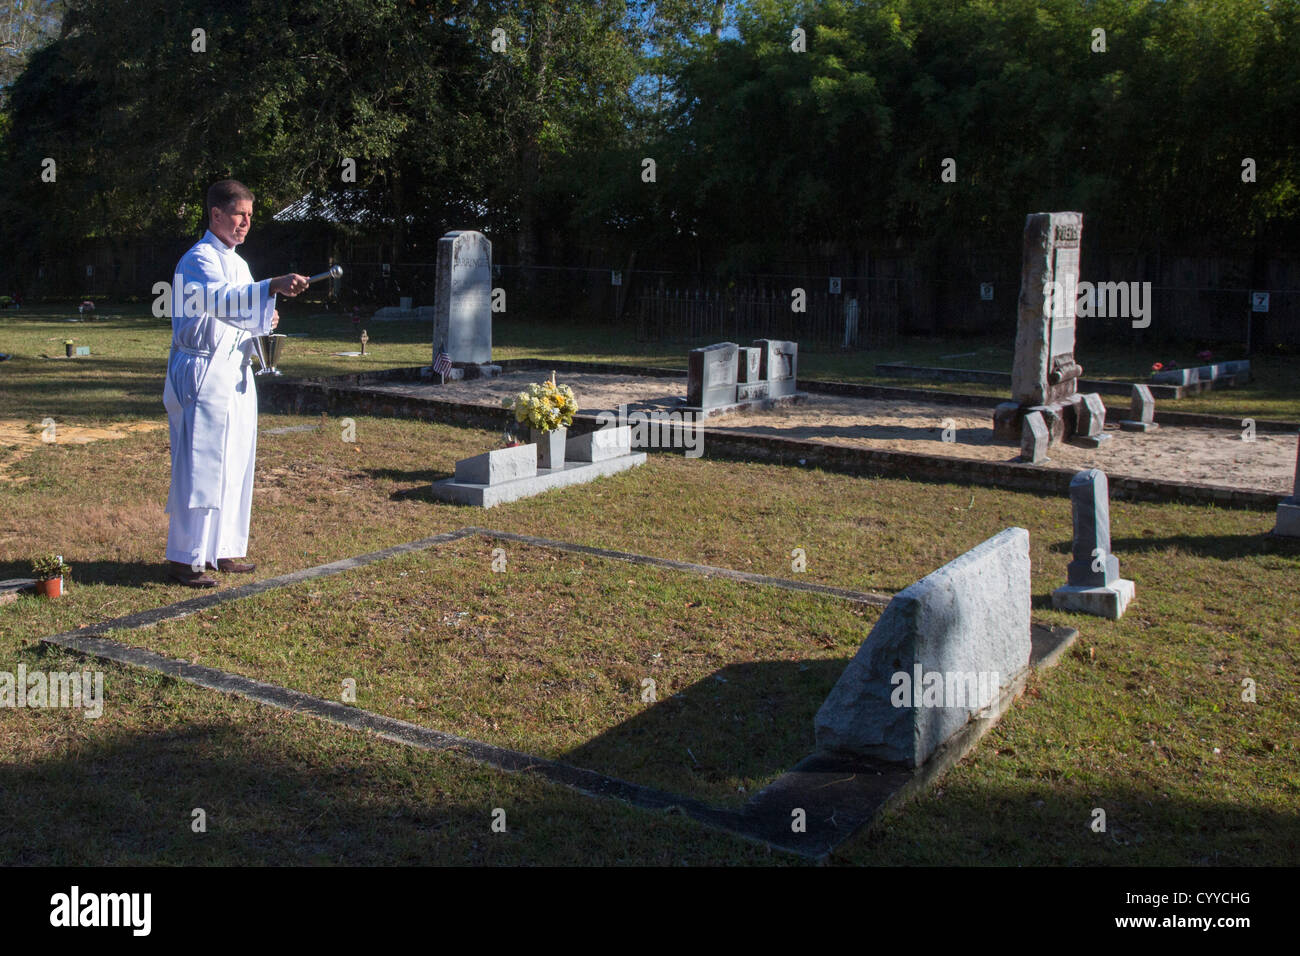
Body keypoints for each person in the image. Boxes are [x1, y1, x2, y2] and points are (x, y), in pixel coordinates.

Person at [163, 179, 309, 587]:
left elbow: (247, 307)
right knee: (200, 461)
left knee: (235, 460)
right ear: (216, 214)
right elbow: (222, 300)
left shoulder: (239, 262)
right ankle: (186, 557)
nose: (246, 223)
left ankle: (225, 547)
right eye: (239, 214)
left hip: (237, 370)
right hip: (203, 371)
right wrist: (271, 288)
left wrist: (269, 314)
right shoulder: (198, 259)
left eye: (250, 215)